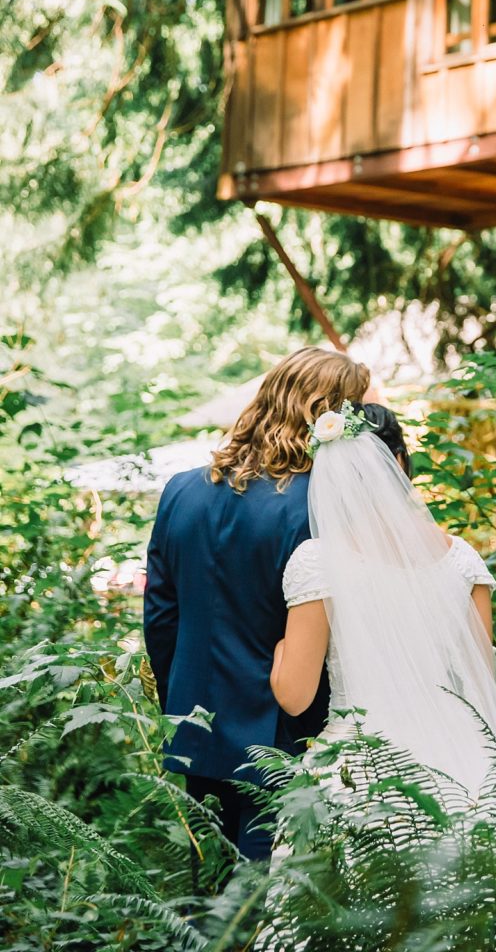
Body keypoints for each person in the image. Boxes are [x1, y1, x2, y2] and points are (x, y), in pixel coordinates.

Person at [143, 347, 371, 860]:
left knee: (216, 904)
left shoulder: (180, 491)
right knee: (275, 899)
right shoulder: (318, 502)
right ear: (326, 414)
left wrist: (179, 707)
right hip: (287, 733)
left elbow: (161, 617)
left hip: (196, 728)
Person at [269, 401, 496, 820]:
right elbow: (481, 683)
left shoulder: (317, 561)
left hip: (361, 763)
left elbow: (294, 698)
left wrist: (280, 654)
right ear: (399, 462)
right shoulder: (463, 559)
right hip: (465, 757)